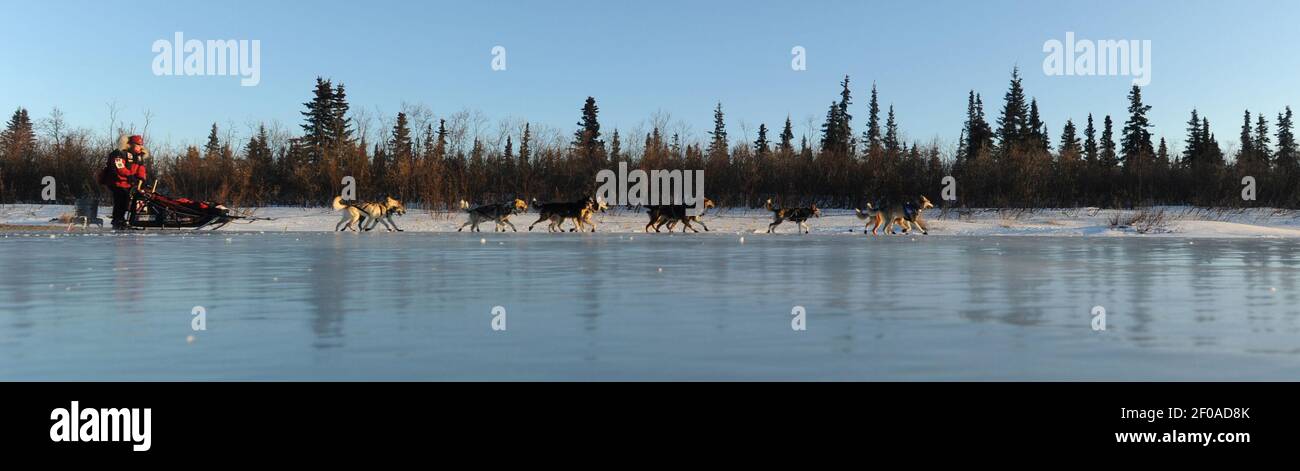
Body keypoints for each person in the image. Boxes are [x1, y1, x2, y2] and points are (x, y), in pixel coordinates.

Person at [102, 135, 148, 229]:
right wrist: (129, 176)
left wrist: (141, 179)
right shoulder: (119, 154)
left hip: (128, 183)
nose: (140, 147)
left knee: (128, 201)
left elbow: (141, 169)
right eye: (137, 145)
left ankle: (124, 220)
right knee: (120, 200)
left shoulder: (139, 157)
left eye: (140, 145)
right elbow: (119, 168)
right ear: (130, 144)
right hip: (117, 182)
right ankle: (117, 220)